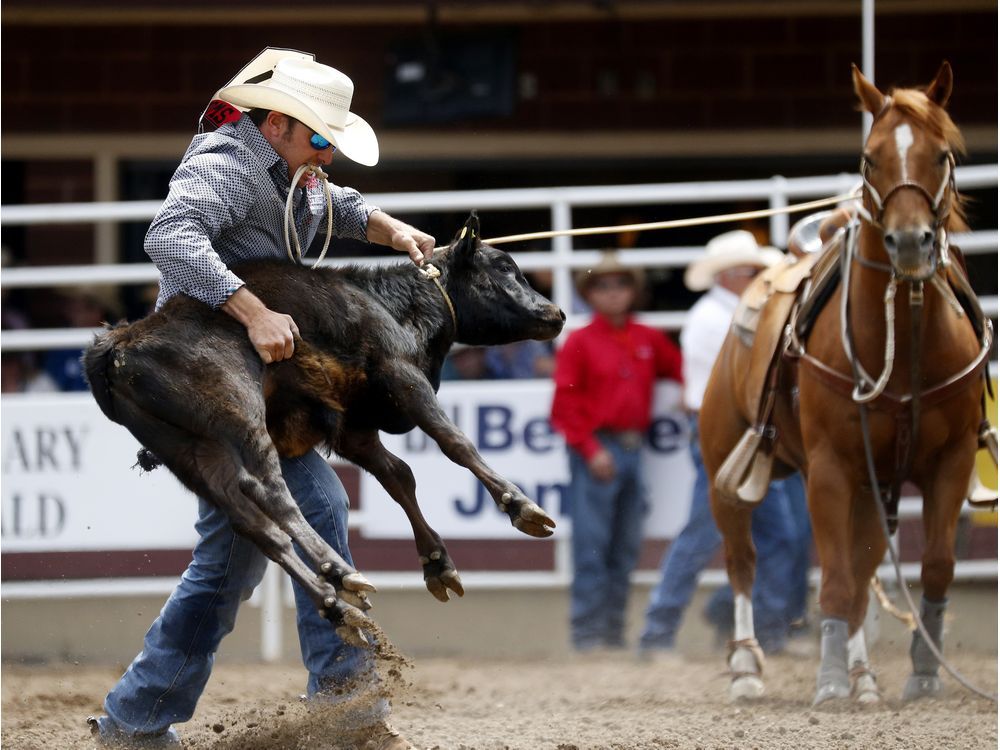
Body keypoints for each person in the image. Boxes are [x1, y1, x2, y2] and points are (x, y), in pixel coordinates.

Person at [87, 48, 435, 750]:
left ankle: (137, 718)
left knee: (231, 560)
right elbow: (170, 237)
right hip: (202, 379)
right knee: (314, 508)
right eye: (321, 139)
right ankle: (348, 709)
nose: (329, 154)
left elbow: (332, 204)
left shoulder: (290, 169)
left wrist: (390, 229)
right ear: (277, 123)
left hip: (235, 386)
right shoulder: (224, 163)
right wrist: (252, 311)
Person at [637, 229, 809, 658]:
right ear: (733, 274)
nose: (757, 276)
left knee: (768, 536)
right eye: (752, 271)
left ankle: (753, 628)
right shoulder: (717, 319)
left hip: (747, 435)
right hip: (729, 436)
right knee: (715, 535)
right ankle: (661, 634)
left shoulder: (726, 314)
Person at [550, 251, 683, 652]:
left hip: (631, 446)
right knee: (593, 546)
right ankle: (589, 635)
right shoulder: (580, 341)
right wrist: (590, 448)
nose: (612, 293)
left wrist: (691, 394)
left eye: (620, 284)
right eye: (602, 286)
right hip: (600, 447)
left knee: (623, 547)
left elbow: (680, 369)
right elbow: (564, 407)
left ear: (633, 291)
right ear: (590, 294)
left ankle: (610, 634)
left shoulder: (648, 339)